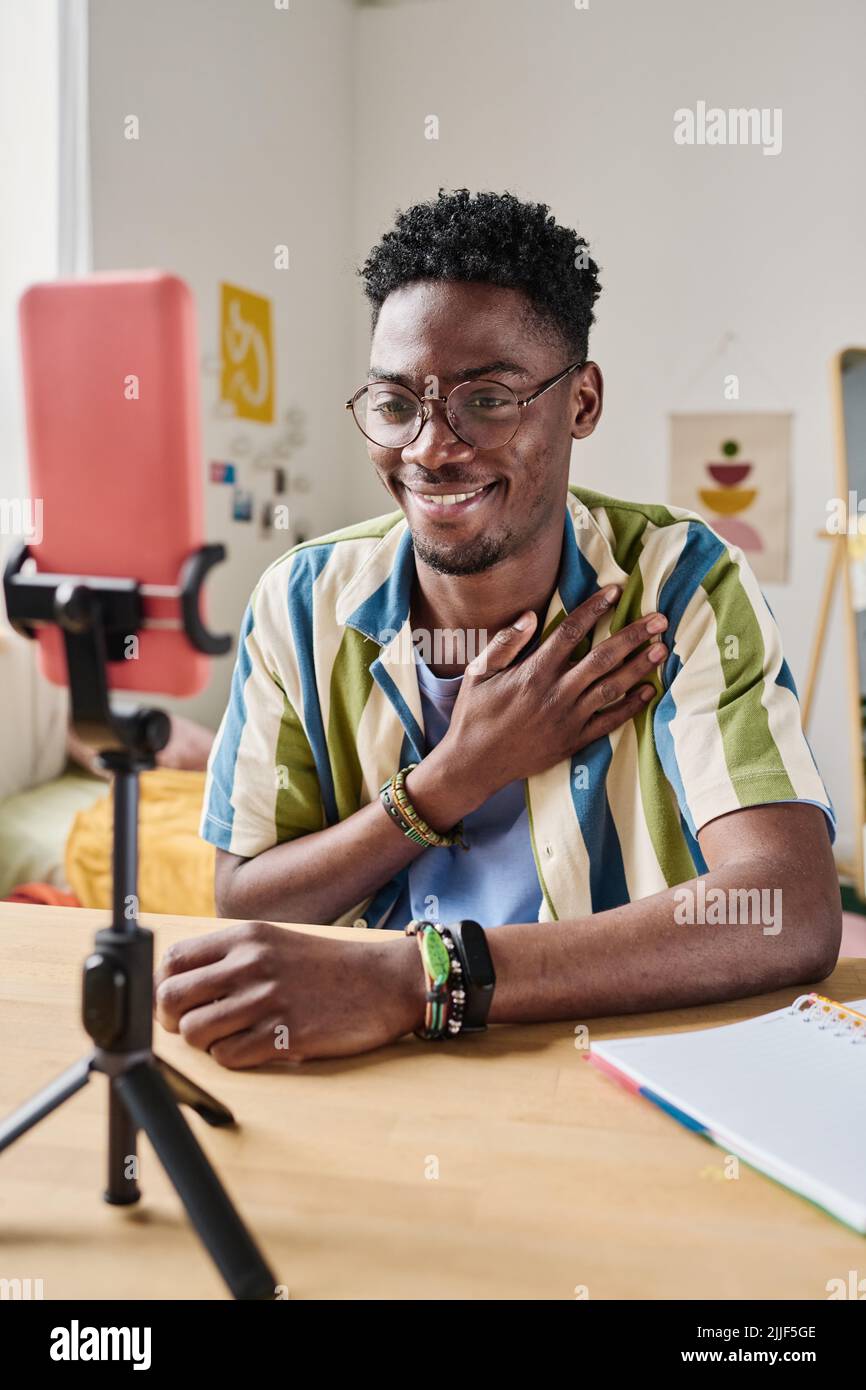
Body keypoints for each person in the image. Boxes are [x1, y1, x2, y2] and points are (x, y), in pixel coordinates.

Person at [154, 189, 839, 1067]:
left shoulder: (679, 585)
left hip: (619, 1060)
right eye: (397, 404)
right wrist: (451, 779)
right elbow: (248, 898)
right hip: (368, 1067)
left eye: (488, 400)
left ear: (581, 402)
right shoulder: (302, 598)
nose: (430, 449)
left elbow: (786, 907)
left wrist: (417, 981)